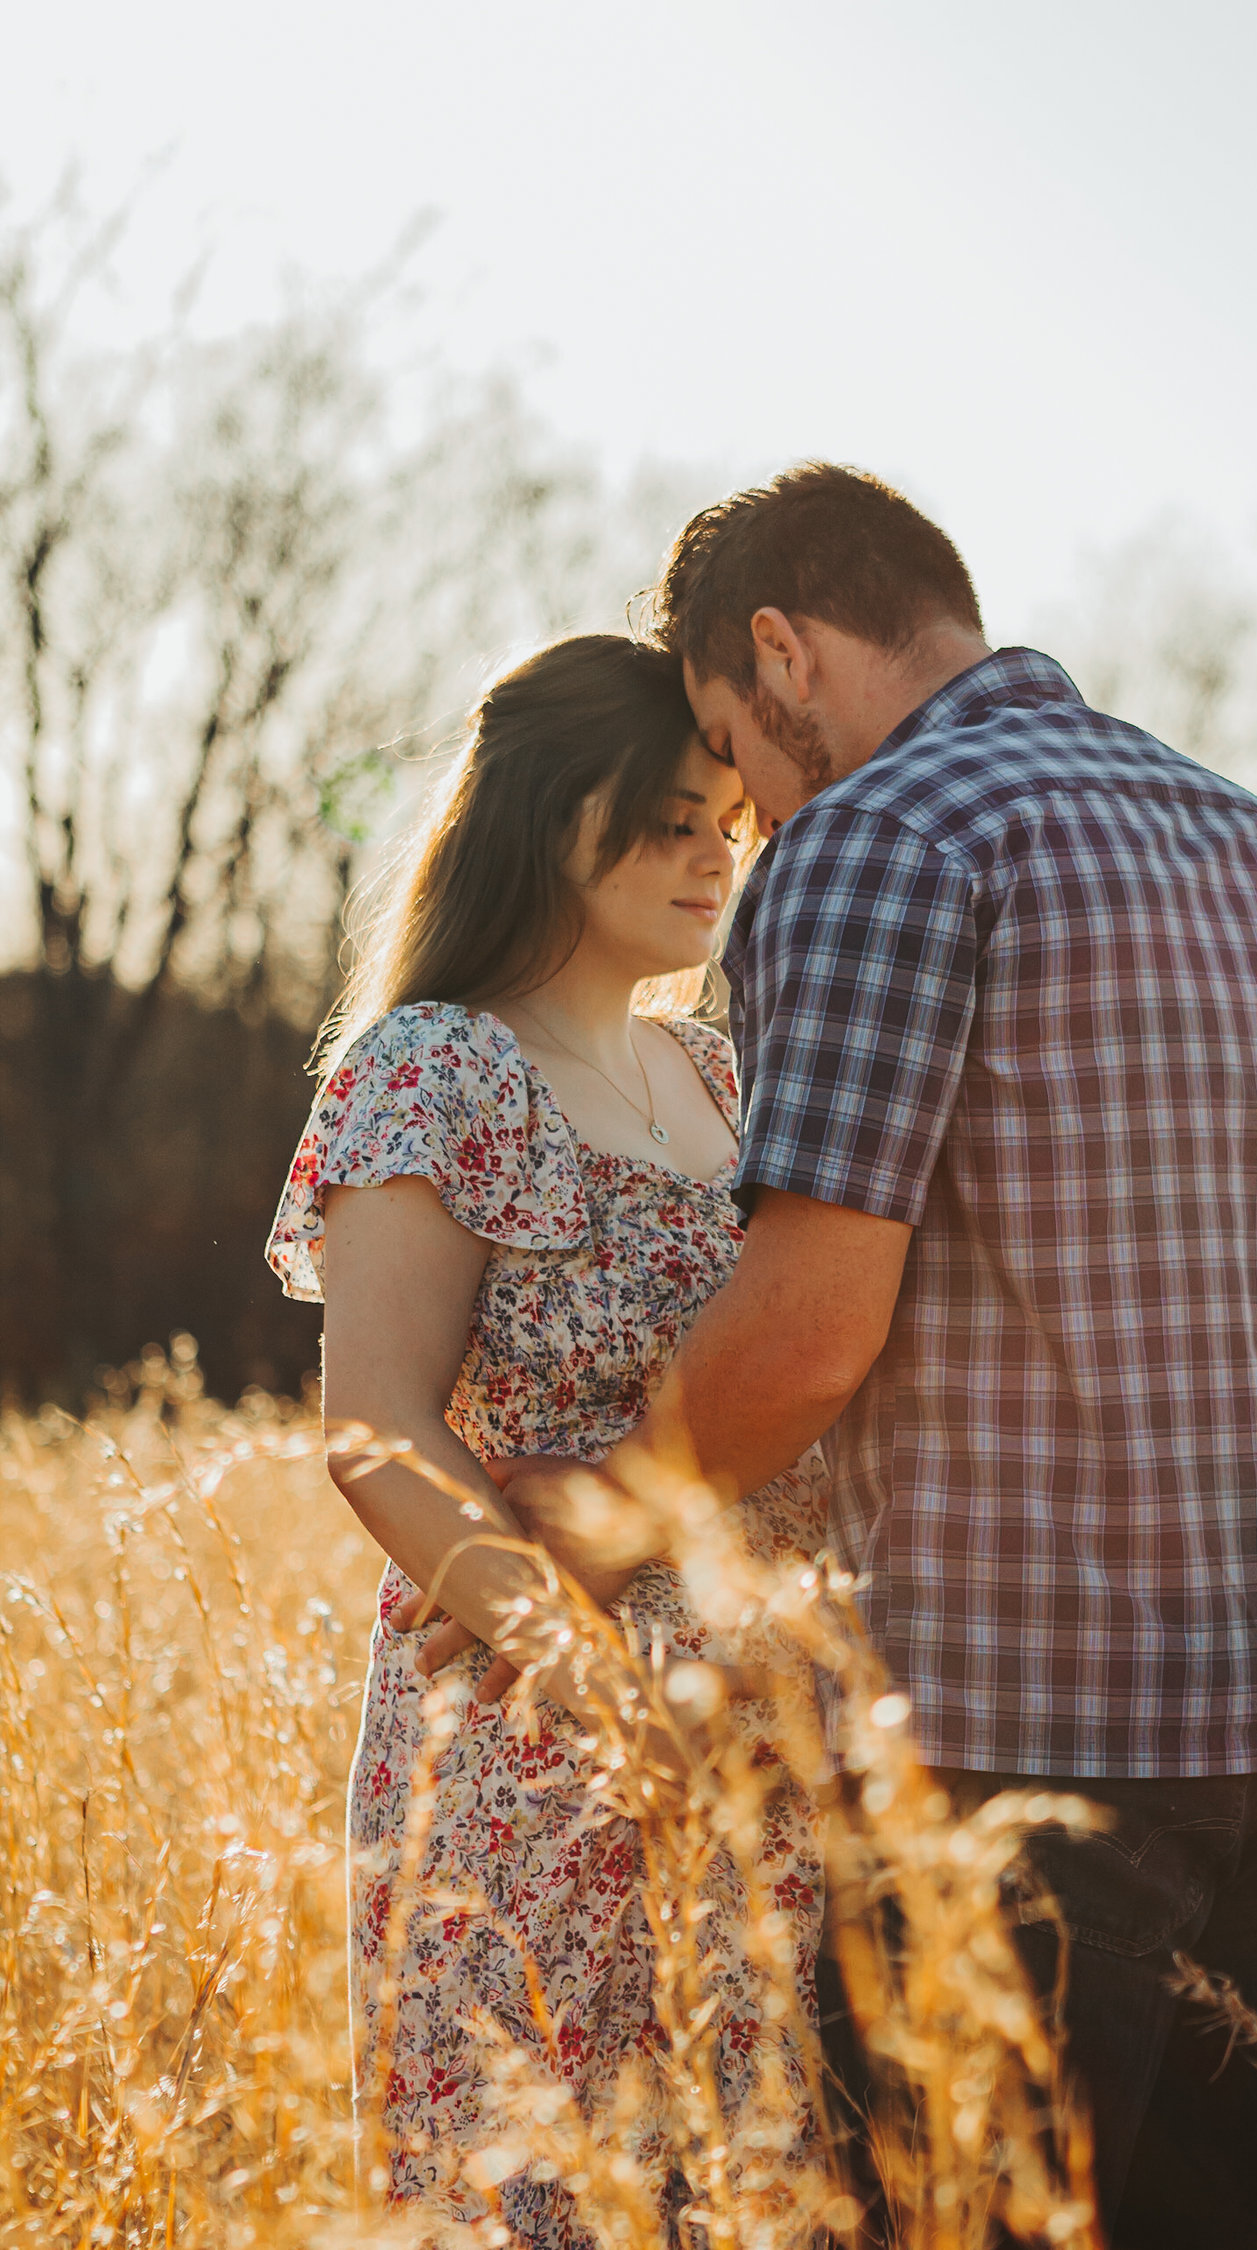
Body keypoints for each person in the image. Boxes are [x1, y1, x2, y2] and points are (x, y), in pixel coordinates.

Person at [455, 468, 1257, 2248]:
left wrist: (588, 1512)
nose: (751, 806)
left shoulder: (882, 839)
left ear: (780, 651)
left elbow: (810, 1332)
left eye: (739, 746)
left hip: (1042, 1740)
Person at [265, 634, 826, 2242]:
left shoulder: (721, 1067)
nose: (711, 852)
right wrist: (589, 1680)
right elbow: (375, 1427)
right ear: (543, 814)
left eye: (728, 818)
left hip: (765, 1729)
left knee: (753, 2185)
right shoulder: (438, 1063)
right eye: (664, 817)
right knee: (538, 2193)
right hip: (530, 1734)